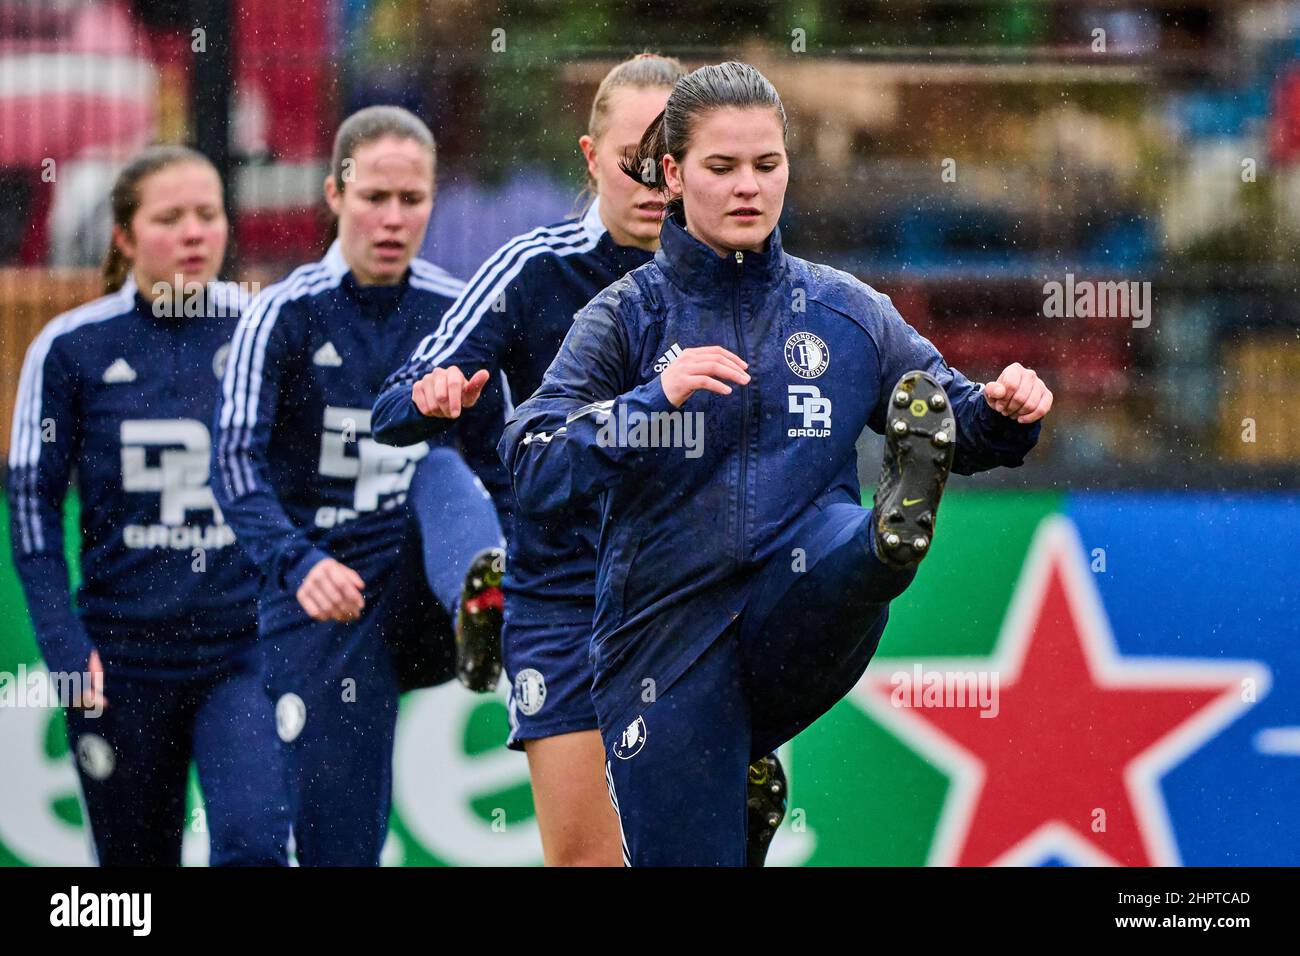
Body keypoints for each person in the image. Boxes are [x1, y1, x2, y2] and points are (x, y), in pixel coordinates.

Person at [498, 62, 1054, 866]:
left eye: (767, 164)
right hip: (664, 646)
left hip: (802, 606)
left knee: (842, 537)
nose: (748, 187)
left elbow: (956, 417)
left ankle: (883, 544)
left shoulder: (846, 311)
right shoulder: (624, 316)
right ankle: (737, 793)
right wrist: (651, 403)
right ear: (672, 174)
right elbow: (532, 461)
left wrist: (1004, 412)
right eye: (722, 166)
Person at [374, 54, 787, 866]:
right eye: (632, 159)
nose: (651, 180)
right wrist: (429, 397)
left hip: (691, 598)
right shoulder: (534, 268)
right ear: (591, 157)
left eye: (666, 159)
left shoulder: (747, 272)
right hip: (562, 595)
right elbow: (393, 405)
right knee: (585, 859)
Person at [212, 106, 507, 866]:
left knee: (441, 467)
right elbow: (233, 464)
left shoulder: (459, 313)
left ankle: (490, 607)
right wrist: (298, 563)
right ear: (334, 194)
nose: (393, 218)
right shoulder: (283, 315)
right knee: (339, 840)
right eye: (375, 197)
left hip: (423, 587)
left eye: (412, 199)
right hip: (326, 595)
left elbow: (503, 469)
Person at [8, 145, 290, 866]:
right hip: (120, 661)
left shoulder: (266, 327)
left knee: (255, 845)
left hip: (245, 650)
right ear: (125, 237)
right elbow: (33, 505)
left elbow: (313, 476)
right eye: (169, 218)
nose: (194, 233)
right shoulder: (70, 348)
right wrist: (65, 649)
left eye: (208, 214)